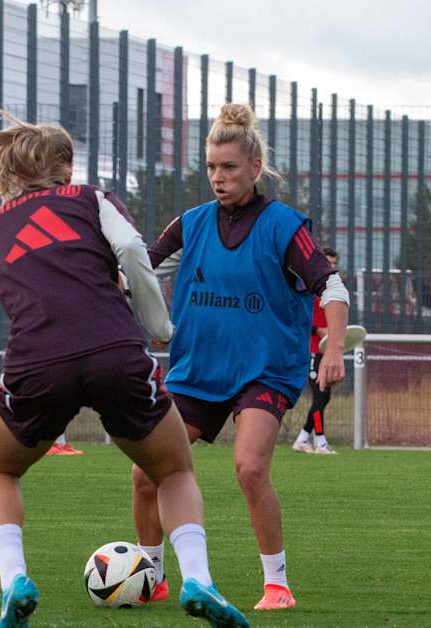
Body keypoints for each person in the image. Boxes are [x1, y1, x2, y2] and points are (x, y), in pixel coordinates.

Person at [0, 109, 249, 628]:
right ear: (63, 168)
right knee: (173, 469)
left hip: (36, 363)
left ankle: (15, 583)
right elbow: (130, 248)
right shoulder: (91, 199)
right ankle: (199, 581)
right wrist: (157, 322)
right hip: (113, 351)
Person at [132, 103, 350, 611]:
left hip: (264, 369)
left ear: (254, 168)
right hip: (197, 369)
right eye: (211, 167)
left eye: (228, 167)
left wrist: (333, 345)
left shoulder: (284, 226)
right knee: (145, 472)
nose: (218, 177)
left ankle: (277, 585)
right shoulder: (190, 223)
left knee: (249, 468)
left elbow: (332, 286)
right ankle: (150, 576)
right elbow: (138, 269)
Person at [294, 247, 342, 455]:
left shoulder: (334, 290)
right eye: (327, 262)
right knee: (319, 397)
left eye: (333, 263)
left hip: (326, 352)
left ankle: (303, 438)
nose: (330, 267)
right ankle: (319, 441)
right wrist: (318, 330)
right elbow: (298, 320)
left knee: (324, 397)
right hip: (312, 351)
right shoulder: (308, 289)